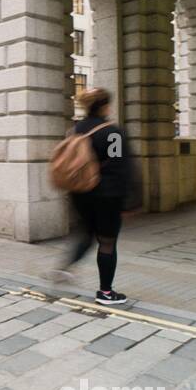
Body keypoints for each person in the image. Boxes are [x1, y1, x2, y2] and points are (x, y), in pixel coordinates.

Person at [53, 87, 134, 306]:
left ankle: (64, 268)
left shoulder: (77, 129)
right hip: (107, 195)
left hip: (80, 193)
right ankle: (106, 293)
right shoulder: (113, 133)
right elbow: (119, 167)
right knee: (107, 242)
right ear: (106, 106)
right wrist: (128, 201)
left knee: (86, 233)